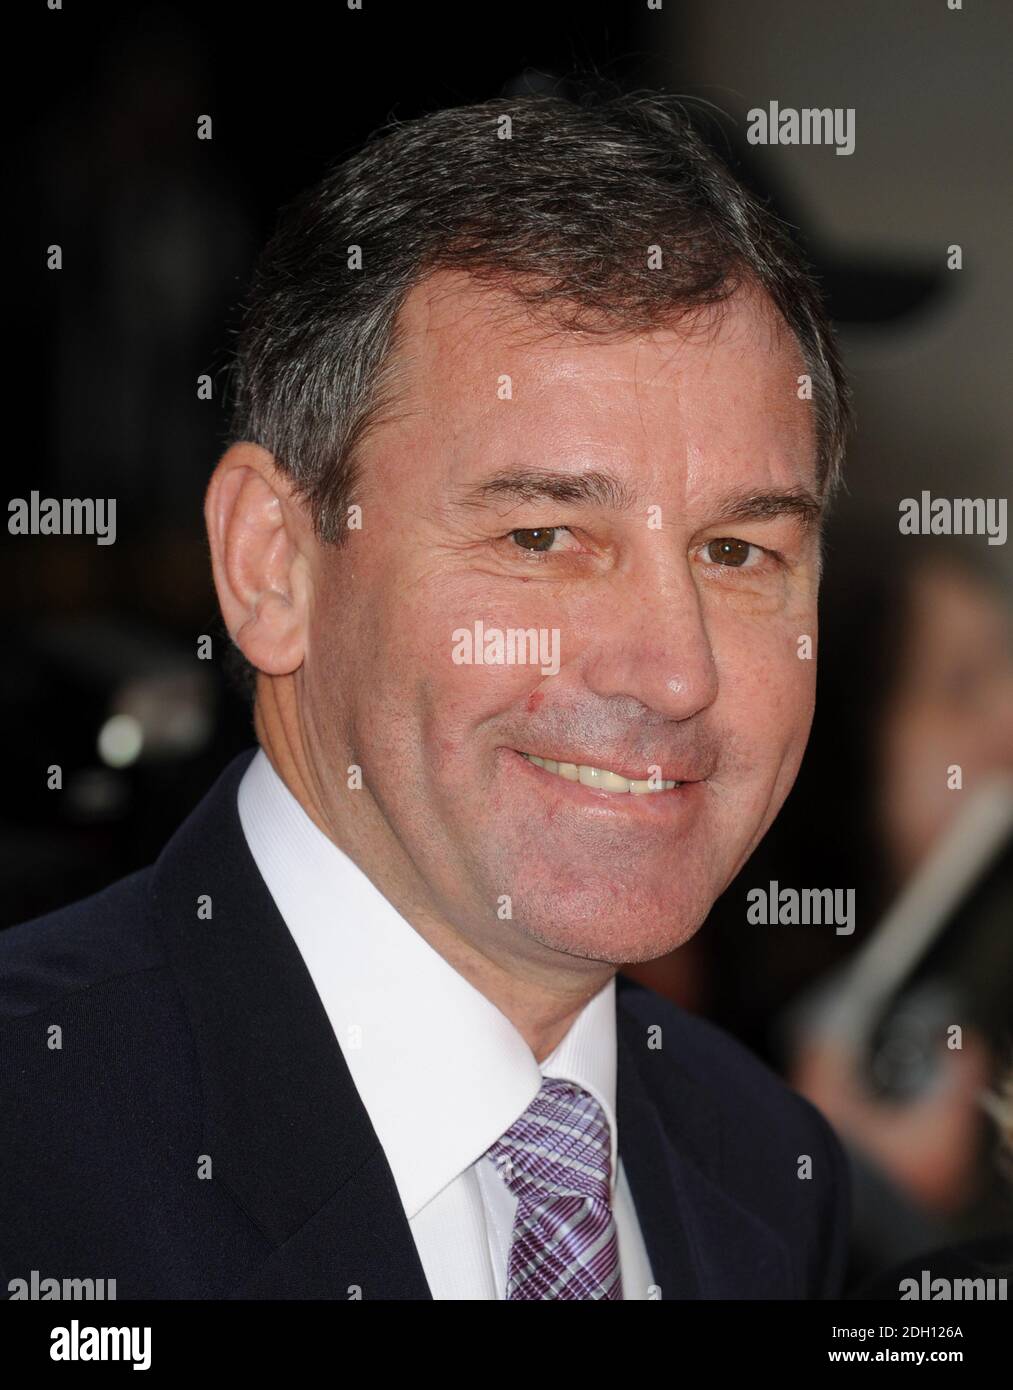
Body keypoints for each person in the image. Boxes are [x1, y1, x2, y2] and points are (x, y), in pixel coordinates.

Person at [1, 91, 853, 1300]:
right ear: (271, 565)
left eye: (735, 554)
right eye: (543, 536)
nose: (674, 672)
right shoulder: (30, 1150)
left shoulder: (767, 1177)